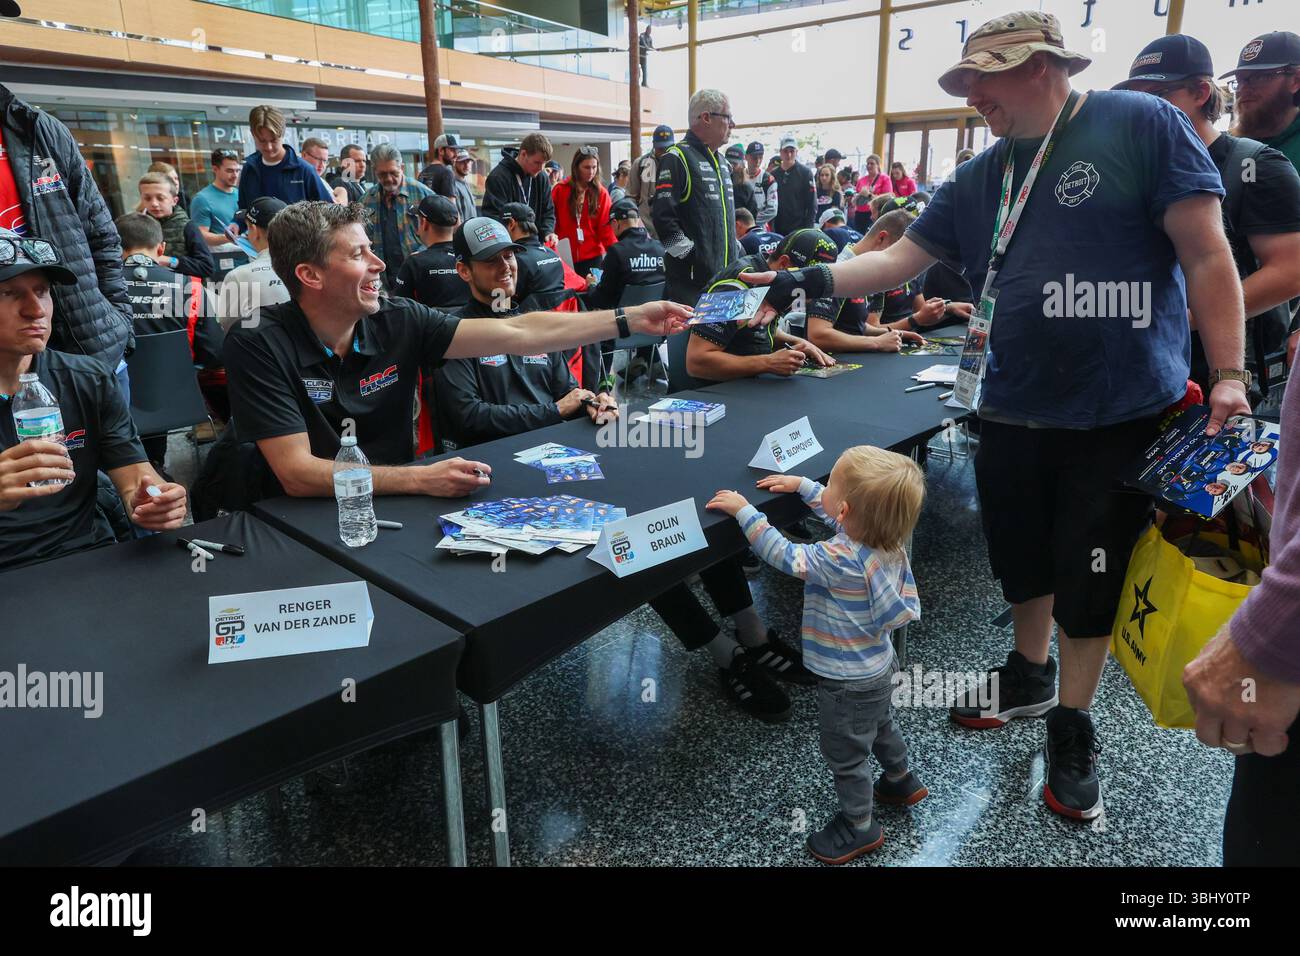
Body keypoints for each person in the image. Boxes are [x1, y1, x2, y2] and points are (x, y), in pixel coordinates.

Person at [751, 10, 1248, 822]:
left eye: (988, 75)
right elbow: (898, 259)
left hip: (1116, 408)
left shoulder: (1142, 123)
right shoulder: (983, 174)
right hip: (1010, 403)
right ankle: (1028, 671)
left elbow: (1206, 252)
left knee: (1091, 566)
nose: (973, 92)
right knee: (1019, 552)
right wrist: (801, 280)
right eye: (967, 79)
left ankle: (1073, 719)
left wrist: (1228, 371)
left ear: (1046, 66)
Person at [218, 200, 693, 506]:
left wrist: (629, 319)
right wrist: (420, 479)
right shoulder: (257, 343)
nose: (380, 264)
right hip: (302, 518)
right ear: (311, 275)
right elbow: (299, 474)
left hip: (392, 503)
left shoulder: (398, 317)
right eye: (359, 254)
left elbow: (521, 332)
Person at [706, 445, 926, 863]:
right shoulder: (887, 541)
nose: (823, 490)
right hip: (878, 667)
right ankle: (900, 778)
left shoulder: (836, 558)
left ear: (843, 511)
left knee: (846, 754)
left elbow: (784, 555)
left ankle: (859, 826)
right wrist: (804, 486)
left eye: (830, 486)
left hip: (845, 682)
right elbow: (836, 514)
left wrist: (745, 512)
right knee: (880, 726)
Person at [1117, 34, 1300, 404]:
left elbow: (1293, 268)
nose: (1144, 109)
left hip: (1231, 380)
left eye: (1158, 95)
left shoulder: (1255, 166)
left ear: (1201, 92)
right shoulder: (1139, 171)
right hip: (1151, 372)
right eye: (1136, 99)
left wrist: (1186, 316)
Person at [0, 229, 187, 572]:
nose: (35, 309)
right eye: (9, 293)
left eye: (42, 291)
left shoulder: (88, 378)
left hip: (89, 557)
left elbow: (135, 478)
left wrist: (154, 500)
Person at [433, 218, 617, 449]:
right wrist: (553, 410)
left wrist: (591, 402)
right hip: (494, 457)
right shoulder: (454, 332)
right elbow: (469, 417)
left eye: (509, 255)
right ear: (464, 271)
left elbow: (567, 391)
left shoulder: (535, 324)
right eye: (491, 260)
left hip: (553, 446)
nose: (505, 266)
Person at [0, 82, 132, 395]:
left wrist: (118, 320)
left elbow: (101, 235)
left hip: (91, 350)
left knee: (117, 445)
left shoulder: (38, 129)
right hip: (7, 370)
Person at [116, 212, 224, 462]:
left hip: (112, 402)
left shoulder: (97, 289)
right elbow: (214, 353)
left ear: (115, 247)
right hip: (174, 398)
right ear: (161, 247)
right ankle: (156, 466)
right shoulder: (191, 287)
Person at [685, 229, 835, 386]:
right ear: (784, 264)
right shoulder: (738, 285)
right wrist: (767, 363)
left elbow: (750, 330)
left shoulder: (772, 279)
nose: (812, 296)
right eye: (807, 284)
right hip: (717, 393)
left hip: (749, 384)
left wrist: (800, 342)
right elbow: (696, 362)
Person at [808, 209, 947, 355]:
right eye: (899, 255)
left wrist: (896, 333)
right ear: (881, 238)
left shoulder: (865, 271)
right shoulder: (840, 269)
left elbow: (856, 326)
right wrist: (876, 342)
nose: (902, 266)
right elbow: (817, 335)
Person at [653, 88, 740, 307]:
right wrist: (693, 258)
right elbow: (663, 223)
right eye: (728, 117)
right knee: (691, 343)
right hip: (691, 288)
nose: (733, 124)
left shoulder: (723, 163)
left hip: (725, 281)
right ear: (706, 118)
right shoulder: (677, 157)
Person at [362, 143, 433, 292]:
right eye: (382, 174)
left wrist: (422, 252)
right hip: (381, 281)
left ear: (402, 167)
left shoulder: (423, 195)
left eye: (393, 173)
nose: (388, 179)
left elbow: (443, 234)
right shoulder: (366, 200)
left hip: (419, 276)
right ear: (374, 171)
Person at [1225, 31, 1300, 172]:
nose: (1243, 89)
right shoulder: (1225, 147)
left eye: (1259, 77)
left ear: (1296, 80)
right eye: (1239, 80)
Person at [236, 106, 333, 209]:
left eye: (274, 141)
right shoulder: (249, 169)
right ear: (253, 134)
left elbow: (328, 211)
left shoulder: (304, 170)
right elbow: (243, 210)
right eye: (262, 141)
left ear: (283, 134)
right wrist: (236, 223)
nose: (268, 147)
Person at [218, 197, 290, 332]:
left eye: (247, 228)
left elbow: (228, 326)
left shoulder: (237, 276)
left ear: (254, 230)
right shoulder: (310, 266)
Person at [584, 198, 665, 311]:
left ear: (615, 223)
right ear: (637, 220)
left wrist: (591, 285)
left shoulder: (616, 252)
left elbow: (601, 300)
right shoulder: (659, 248)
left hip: (626, 322)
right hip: (656, 318)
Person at [391, 194, 468, 310]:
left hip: (432, 327)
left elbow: (399, 309)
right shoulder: (470, 258)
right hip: (473, 326)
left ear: (424, 223)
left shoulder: (414, 263)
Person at [137, 172, 215, 280]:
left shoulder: (187, 226)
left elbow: (206, 267)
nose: (154, 203)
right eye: (147, 198)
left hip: (182, 290)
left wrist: (170, 261)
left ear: (174, 200)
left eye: (160, 198)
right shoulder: (136, 226)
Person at [482, 133, 557, 244]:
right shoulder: (498, 177)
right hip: (510, 246)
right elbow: (493, 217)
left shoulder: (541, 177)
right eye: (537, 162)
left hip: (536, 245)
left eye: (544, 163)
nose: (541, 168)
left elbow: (548, 211)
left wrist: (548, 232)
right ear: (523, 154)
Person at [552, 147, 616, 278]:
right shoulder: (560, 190)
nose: (591, 172)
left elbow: (606, 229)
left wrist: (616, 254)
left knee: (591, 295)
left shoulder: (601, 193)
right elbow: (551, 221)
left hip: (593, 256)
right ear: (576, 167)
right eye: (586, 167)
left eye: (594, 167)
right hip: (563, 255)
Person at [499, 202, 567, 310]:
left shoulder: (515, 261)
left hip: (527, 323)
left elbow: (502, 306)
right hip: (560, 321)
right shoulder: (553, 255)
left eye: (502, 226)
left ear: (511, 224)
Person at [189, 148, 243, 251]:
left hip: (247, 259)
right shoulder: (202, 199)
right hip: (222, 262)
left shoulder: (241, 194)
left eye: (237, 170)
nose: (235, 175)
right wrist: (229, 237)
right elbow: (201, 235)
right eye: (229, 171)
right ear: (215, 169)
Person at [629, 125, 674, 236]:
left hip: (672, 231)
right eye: (660, 148)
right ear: (654, 145)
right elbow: (630, 197)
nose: (664, 152)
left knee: (676, 253)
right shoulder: (640, 164)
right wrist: (637, 224)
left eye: (667, 148)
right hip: (646, 232)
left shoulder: (679, 164)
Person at [772, 134, 815, 235]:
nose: (789, 155)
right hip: (778, 227)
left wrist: (808, 229)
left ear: (796, 152)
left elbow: (812, 204)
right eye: (786, 151)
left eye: (792, 151)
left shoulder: (805, 173)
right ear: (780, 152)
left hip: (799, 228)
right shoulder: (773, 174)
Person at [744, 141, 780, 230]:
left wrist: (751, 221)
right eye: (754, 157)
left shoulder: (767, 179)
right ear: (746, 157)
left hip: (760, 227)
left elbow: (772, 210)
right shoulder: (738, 176)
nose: (758, 161)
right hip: (739, 225)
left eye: (760, 157)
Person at [852, 154, 891, 232]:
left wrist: (869, 195)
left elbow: (887, 199)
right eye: (868, 163)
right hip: (859, 213)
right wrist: (858, 195)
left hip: (874, 214)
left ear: (878, 165)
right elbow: (855, 197)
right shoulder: (861, 180)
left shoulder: (885, 179)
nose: (869, 165)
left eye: (872, 163)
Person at [418, 132, 460, 199]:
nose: (456, 155)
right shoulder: (447, 173)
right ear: (441, 151)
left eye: (456, 151)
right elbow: (451, 206)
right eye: (452, 150)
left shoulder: (422, 173)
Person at [725, 144, 757, 219]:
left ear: (742, 165)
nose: (731, 166)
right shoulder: (719, 182)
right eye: (728, 163)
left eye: (735, 164)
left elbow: (752, 215)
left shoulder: (746, 187)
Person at [451, 147, 477, 223]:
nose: (466, 165)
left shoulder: (465, 183)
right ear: (454, 163)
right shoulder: (454, 185)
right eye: (462, 162)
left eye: (468, 162)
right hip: (463, 232)